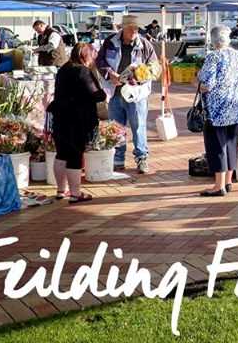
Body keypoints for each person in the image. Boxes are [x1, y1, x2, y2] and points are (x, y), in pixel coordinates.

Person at [196, 25, 238, 196]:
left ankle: (218, 186)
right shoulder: (235, 54)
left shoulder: (213, 57)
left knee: (216, 146)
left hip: (217, 110)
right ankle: (228, 181)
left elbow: (208, 84)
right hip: (235, 107)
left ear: (212, 40)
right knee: (231, 144)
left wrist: (197, 83)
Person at [96, 14, 158, 173]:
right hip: (115, 92)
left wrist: (141, 74)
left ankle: (141, 158)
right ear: (122, 28)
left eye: (136, 29)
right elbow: (100, 61)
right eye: (131, 29)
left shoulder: (145, 44)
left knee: (138, 127)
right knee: (116, 127)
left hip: (136, 93)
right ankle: (117, 159)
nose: (134, 32)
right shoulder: (110, 42)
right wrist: (109, 73)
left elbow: (155, 68)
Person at [50, 43, 106, 203]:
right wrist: (105, 93)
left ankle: (61, 190)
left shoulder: (64, 68)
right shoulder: (82, 71)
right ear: (86, 55)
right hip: (77, 119)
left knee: (61, 154)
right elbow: (96, 94)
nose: (94, 57)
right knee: (75, 154)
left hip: (60, 116)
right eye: (93, 54)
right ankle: (75, 194)